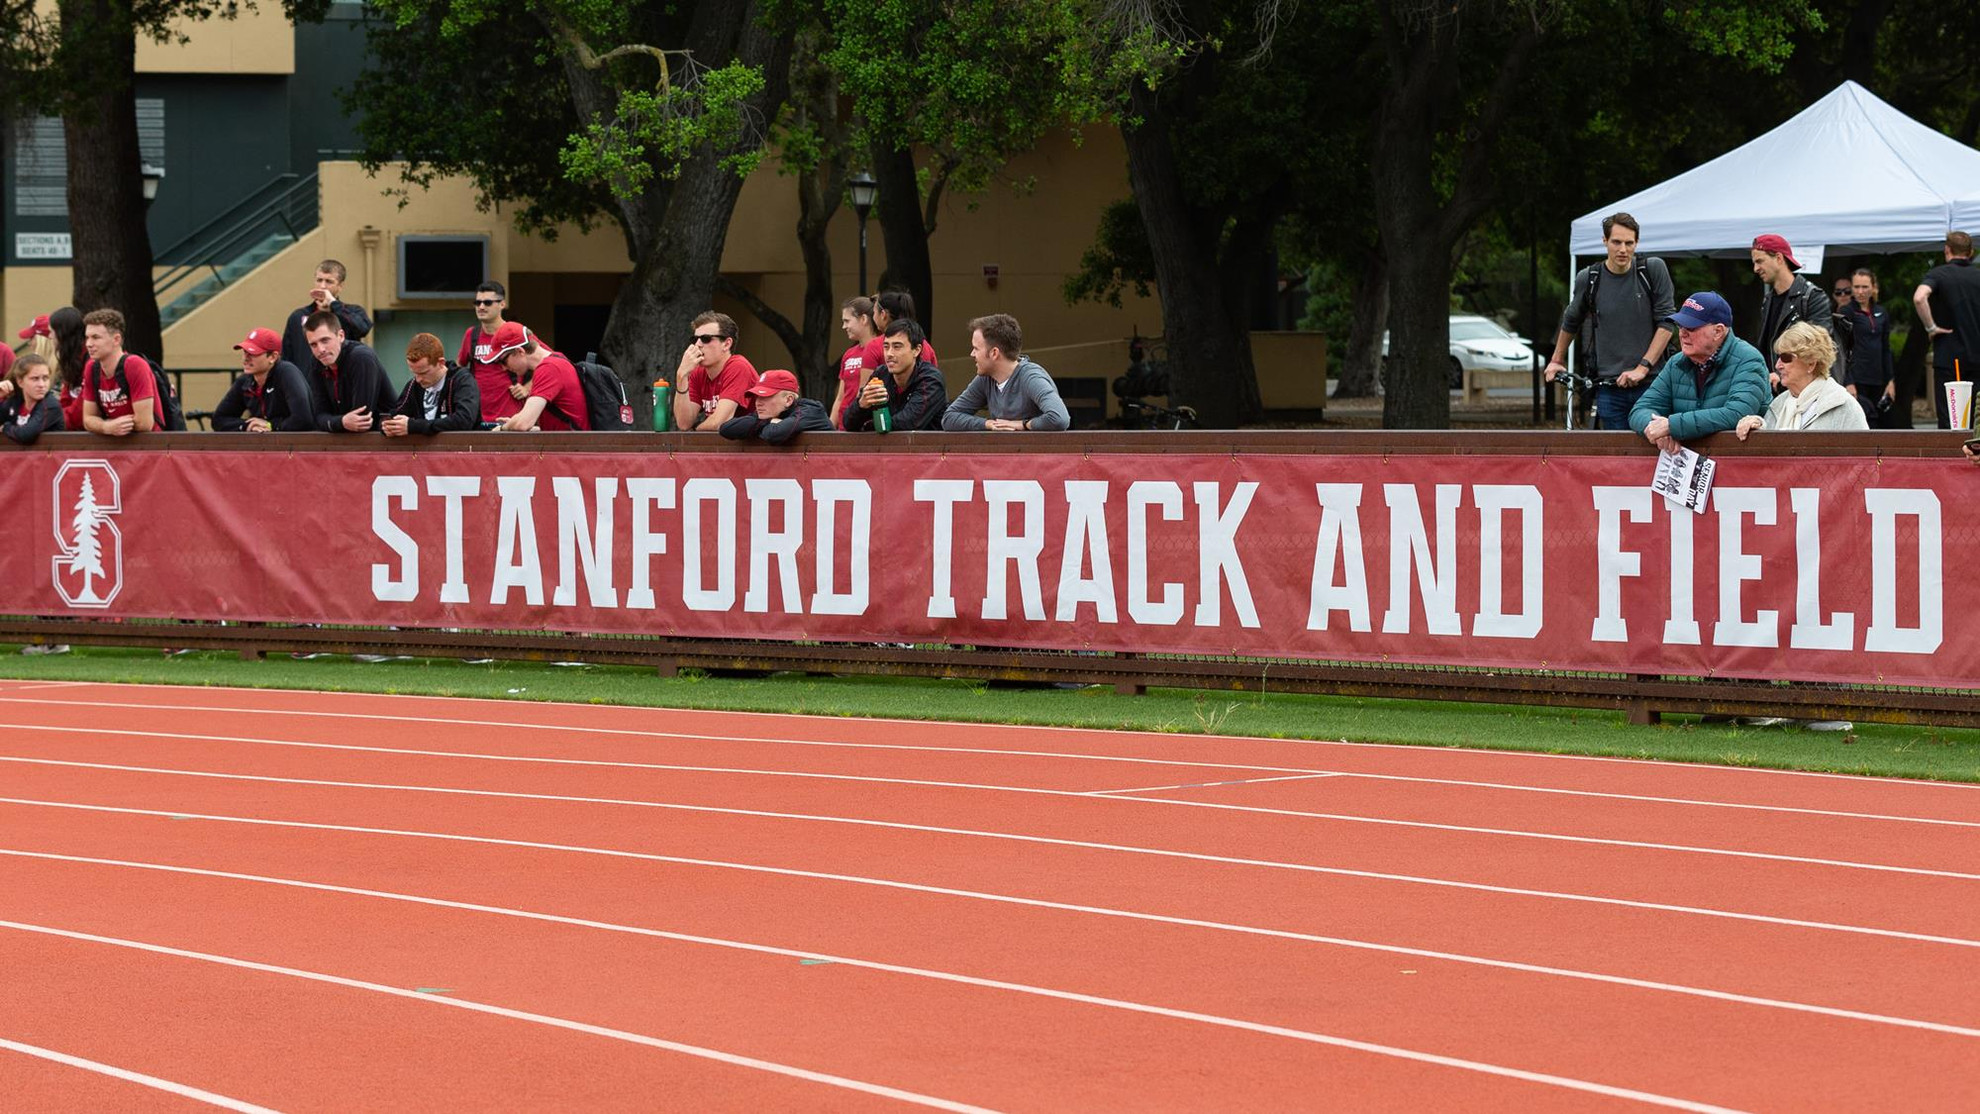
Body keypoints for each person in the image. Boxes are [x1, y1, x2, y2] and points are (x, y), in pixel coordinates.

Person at [1545, 213, 1676, 429]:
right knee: (1616, 457)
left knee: (1654, 449)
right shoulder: (1589, 278)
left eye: (1629, 243)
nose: (1623, 249)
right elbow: (1571, 321)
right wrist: (1557, 359)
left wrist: (1642, 367)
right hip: (1609, 387)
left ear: (1637, 243)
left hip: (1651, 384)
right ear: (1605, 241)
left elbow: (1667, 322)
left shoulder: (1652, 269)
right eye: (1616, 242)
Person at [1629, 292, 1770, 452]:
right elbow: (1640, 410)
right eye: (1680, 326)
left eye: (1691, 327)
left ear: (1718, 331)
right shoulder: (1676, 363)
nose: (1682, 333)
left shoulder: (1748, 359)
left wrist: (1671, 426)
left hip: (1740, 463)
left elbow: (1737, 412)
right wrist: (1655, 429)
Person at [1734, 322, 1868, 438]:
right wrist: (1758, 427)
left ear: (1811, 363)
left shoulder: (1842, 404)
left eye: (1786, 358)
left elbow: (1863, 461)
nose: (1777, 365)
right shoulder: (1779, 405)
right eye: (1778, 357)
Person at [942, 313, 1071, 431]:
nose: (972, 354)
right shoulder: (986, 378)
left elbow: (1059, 418)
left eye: (976, 348)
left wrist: (1023, 425)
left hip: (1037, 455)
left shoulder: (1031, 377)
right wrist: (989, 424)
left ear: (994, 353)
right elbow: (949, 418)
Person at [1913, 231, 1980, 428]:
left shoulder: (1938, 274)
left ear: (1947, 250)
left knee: (1951, 420)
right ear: (1971, 252)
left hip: (1950, 359)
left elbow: (1919, 297)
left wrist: (1931, 327)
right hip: (1978, 358)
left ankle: (1950, 458)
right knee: (1977, 419)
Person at [1750, 233, 1831, 390]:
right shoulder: (1768, 300)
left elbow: (1820, 350)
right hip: (1773, 391)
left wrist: (1781, 374)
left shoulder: (1812, 297)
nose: (1756, 269)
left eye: (1760, 261)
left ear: (1779, 258)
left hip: (1804, 393)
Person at [844, 318, 947, 432]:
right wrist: (861, 405)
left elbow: (908, 422)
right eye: (886, 347)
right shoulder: (880, 374)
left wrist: (869, 427)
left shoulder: (930, 379)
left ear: (916, 350)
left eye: (897, 347)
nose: (889, 354)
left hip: (930, 448)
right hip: (887, 448)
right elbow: (848, 424)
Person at [302, 310, 394, 433]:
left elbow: (361, 420)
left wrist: (335, 422)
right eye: (313, 345)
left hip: (387, 440)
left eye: (325, 340)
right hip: (350, 440)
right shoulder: (317, 362)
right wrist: (342, 422)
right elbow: (318, 416)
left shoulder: (361, 358)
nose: (320, 349)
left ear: (341, 336)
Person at [212, 327, 317, 433]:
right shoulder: (244, 380)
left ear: (272, 357)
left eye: (253, 353)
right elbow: (218, 420)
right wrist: (247, 425)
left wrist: (270, 425)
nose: (245, 358)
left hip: (300, 445)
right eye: (245, 352)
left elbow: (303, 420)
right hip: (266, 445)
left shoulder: (287, 373)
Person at [491, 321, 591, 431]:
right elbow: (554, 428)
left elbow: (523, 424)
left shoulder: (548, 368)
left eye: (503, 361)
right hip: (572, 444)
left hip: (573, 446)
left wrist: (503, 428)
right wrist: (513, 424)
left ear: (520, 351)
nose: (503, 368)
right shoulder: (558, 359)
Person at [78, 309, 163, 437]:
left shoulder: (135, 365)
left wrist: (107, 425)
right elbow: (88, 419)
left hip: (148, 448)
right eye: (87, 338)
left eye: (96, 337)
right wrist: (106, 427)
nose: (89, 344)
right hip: (116, 447)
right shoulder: (91, 367)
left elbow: (145, 423)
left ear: (116, 339)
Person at [279, 259, 372, 374]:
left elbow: (362, 328)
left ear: (340, 286)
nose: (322, 286)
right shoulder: (298, 316)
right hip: (306, 386)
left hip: (342, 383)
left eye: (329, 282)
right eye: (319, 280)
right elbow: (286, 358)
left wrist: (334, 304)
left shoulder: (352, 312)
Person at [672, 311, 758, 432]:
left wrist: (695, 431)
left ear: (726, 344)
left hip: (752, 446)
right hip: (724, 446)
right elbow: (684, 423)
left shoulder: (738, 366)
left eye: (705, 339)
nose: (698, 344)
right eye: (695, 339)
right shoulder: (699, 372)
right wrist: (681, 375)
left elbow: (719, 423)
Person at [386, 332, 482, 436]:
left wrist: (414, 426)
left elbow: (464, 420)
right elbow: (394, 415)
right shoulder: (414, 385)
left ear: (441, 363)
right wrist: (388, 426)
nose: (418, 379)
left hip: (462, 449)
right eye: (414, 373)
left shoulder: (462, 380)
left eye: (424, 373)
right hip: (425, 451)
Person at [1835, 268, 1896, 427]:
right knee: (1863, 423)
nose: (1860, 292)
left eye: (1865, 287)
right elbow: (1840, 350)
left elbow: (1886, 348)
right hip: (1857, 378)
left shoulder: (1881, 312)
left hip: (1879, 379)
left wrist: (1890, 380)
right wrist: (1848, 381)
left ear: (1873, 287)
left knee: (1882, 422)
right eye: (1856, 287)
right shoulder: (1846, 312)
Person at [457, 280, 521, 424]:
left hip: (510, 418)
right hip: (476, 416)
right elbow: (459, 367)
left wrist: (527, 388)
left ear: (502, 304)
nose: (481, 307)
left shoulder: (515, 332)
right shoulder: (471, 334)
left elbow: (543, 360)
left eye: (487, 303)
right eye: (477, 302)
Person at [719, 369, 835, 443]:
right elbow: (726, 429)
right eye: (757, 397)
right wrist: (770, 421)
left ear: (789, 400)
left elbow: (773, 434)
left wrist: (765, 423)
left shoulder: (810, 410)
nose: (758, 402)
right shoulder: (771, 412)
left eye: (765, 397)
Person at [832, 296, 879, 428]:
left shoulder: (884, 348)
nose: (843, 326)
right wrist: (830, 427)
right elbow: (840, 397)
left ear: (863, 319)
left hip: (867, 427)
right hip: (844, 426)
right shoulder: (849, 354)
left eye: (847, 321)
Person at [2, 353, 64, 444]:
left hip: (50, 456)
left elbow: (26, 434)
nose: (42, 385)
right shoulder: (15, 402)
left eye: (45, 378)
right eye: (35, 379)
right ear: (20, 382)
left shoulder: (51, 405)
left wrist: (5, 427)